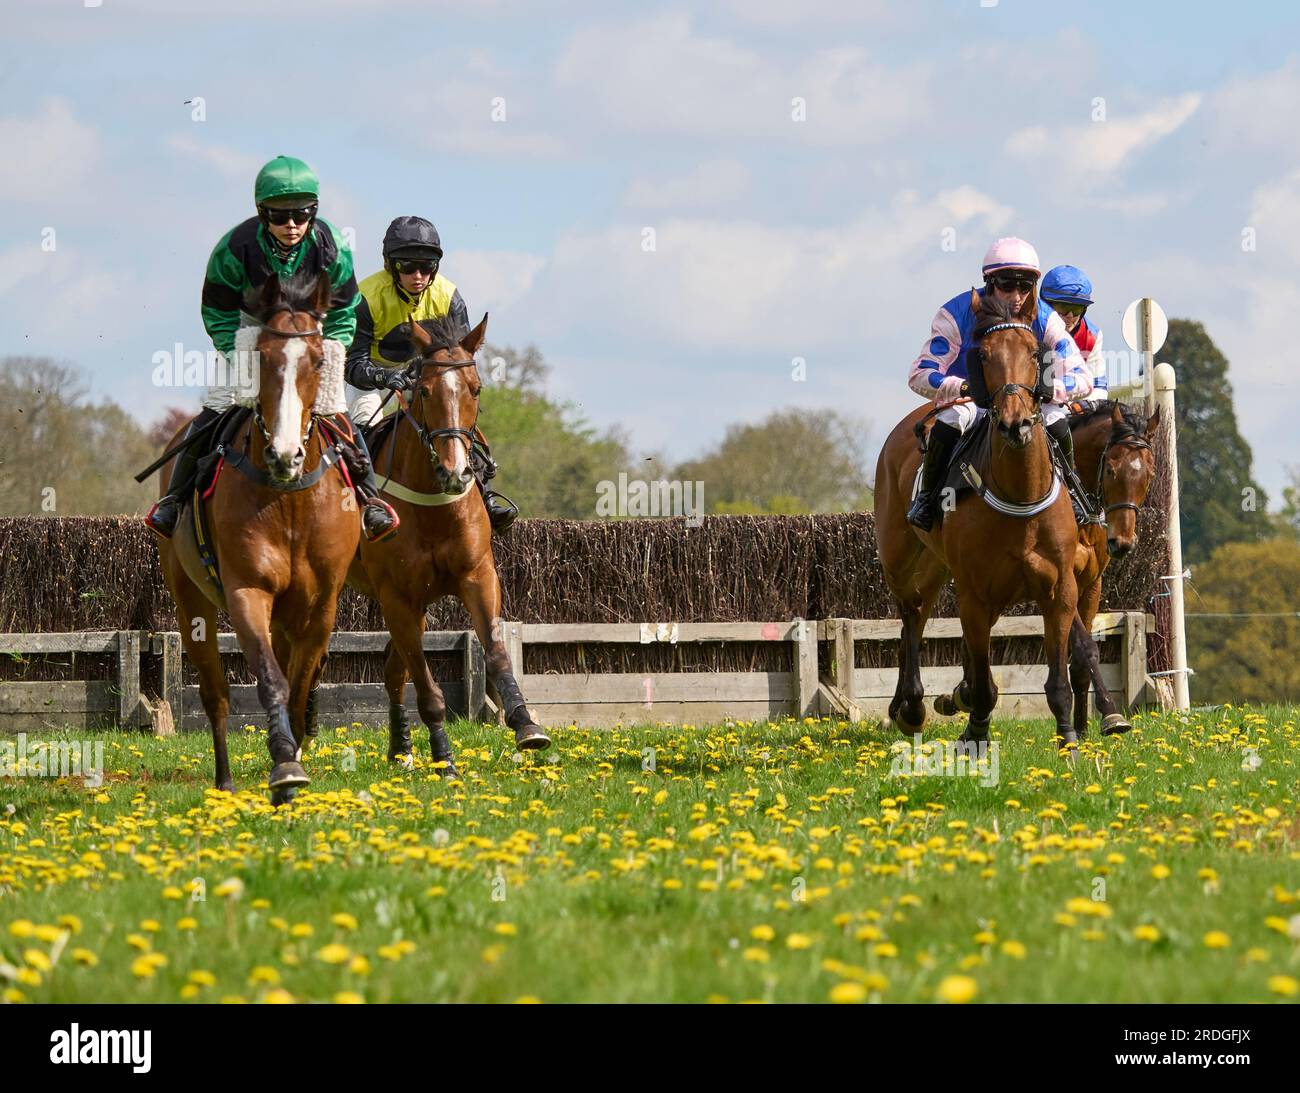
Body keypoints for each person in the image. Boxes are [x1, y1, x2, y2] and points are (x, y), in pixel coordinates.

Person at [144, 155, 399, 541]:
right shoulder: (235, 248)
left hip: (315, 332)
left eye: (301, 214)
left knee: (335, 406)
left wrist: (331, 352)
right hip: (253, 331)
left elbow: (346, 311)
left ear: (314, 211)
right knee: (221, 400)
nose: (292, 225)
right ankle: (174, 501)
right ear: (262, 214)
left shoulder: (333, 248)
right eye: (280, 217)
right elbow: (217, 311)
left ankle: (370, 501)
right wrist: (242, 355)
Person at [906, 237, 1094, 531]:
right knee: (950, 422)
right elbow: (920, 374)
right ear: (990, 281)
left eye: (1026, 285)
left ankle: (1073, 494)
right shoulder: (955, 314)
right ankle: (928, 499)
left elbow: (1083, 377)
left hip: (1025, 402)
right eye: (1008, 284)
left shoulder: (1044, 317)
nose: (1017, 295)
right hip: (972, 403)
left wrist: (1048, 389)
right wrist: (964, 388)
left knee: (1057, 420)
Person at [345, 215, 518, 532]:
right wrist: (384, 379)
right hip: (370, 376)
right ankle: (367, 510)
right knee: (361, 433)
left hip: (426, 375)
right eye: (407, 267)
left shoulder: (449, 296)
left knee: (454, 421)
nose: (418, 276)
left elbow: (462, 359)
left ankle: (485, 494)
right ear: (390, 265)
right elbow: (351, 365)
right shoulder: (365, 297)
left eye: (427, 267)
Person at [1040, 264, 1107, 413]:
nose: (1070, 316)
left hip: (1071, 409)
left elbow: (1099, 387)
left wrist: (1083, 406)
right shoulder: (1031, 327)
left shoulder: (1093, 336)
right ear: (1045, 304)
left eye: (1077, 309)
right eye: (1063, 307)